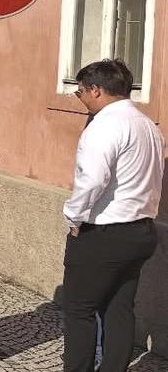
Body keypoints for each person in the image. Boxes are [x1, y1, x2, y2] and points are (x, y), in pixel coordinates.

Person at [61, 59, 163, 372]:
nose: (81, 100)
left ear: (96, 90)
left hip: (105, 232)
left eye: (80, 93)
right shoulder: (148, 126)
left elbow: (93, 179)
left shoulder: (104, 125)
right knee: (119, 307)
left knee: (79, 309)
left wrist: (72, 215)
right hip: (141, 230)